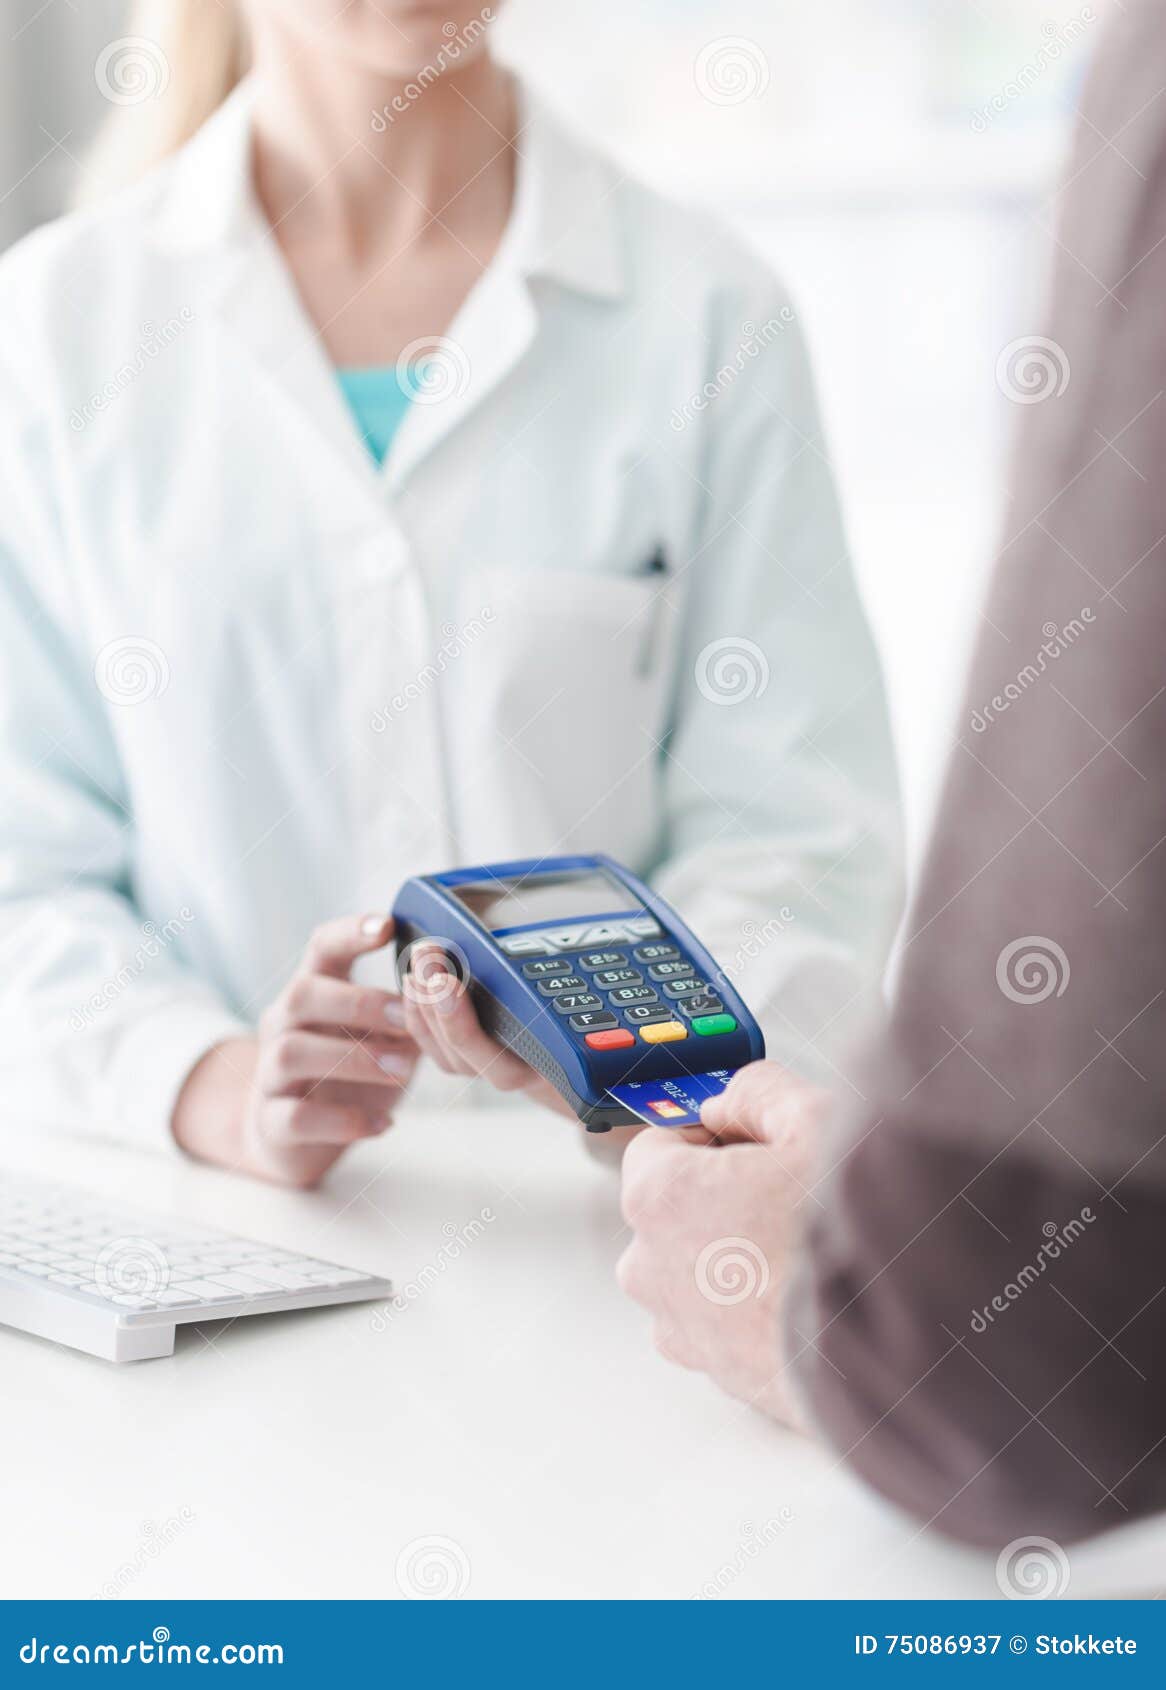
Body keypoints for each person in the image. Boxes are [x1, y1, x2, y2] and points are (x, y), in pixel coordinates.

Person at [0, 0, 899, 1187]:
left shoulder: (709, 315)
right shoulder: (56, 330)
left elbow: (801, 833)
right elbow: (26, 867)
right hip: (221, 1242)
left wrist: (648, 1086)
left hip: (629, 1239)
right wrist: (219, 1086)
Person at [616, 0, 1166, 1549]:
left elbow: (1024, 1355)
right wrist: (194, 1074)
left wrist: (824, 1249)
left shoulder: (707, 305)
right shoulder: (63, 320)